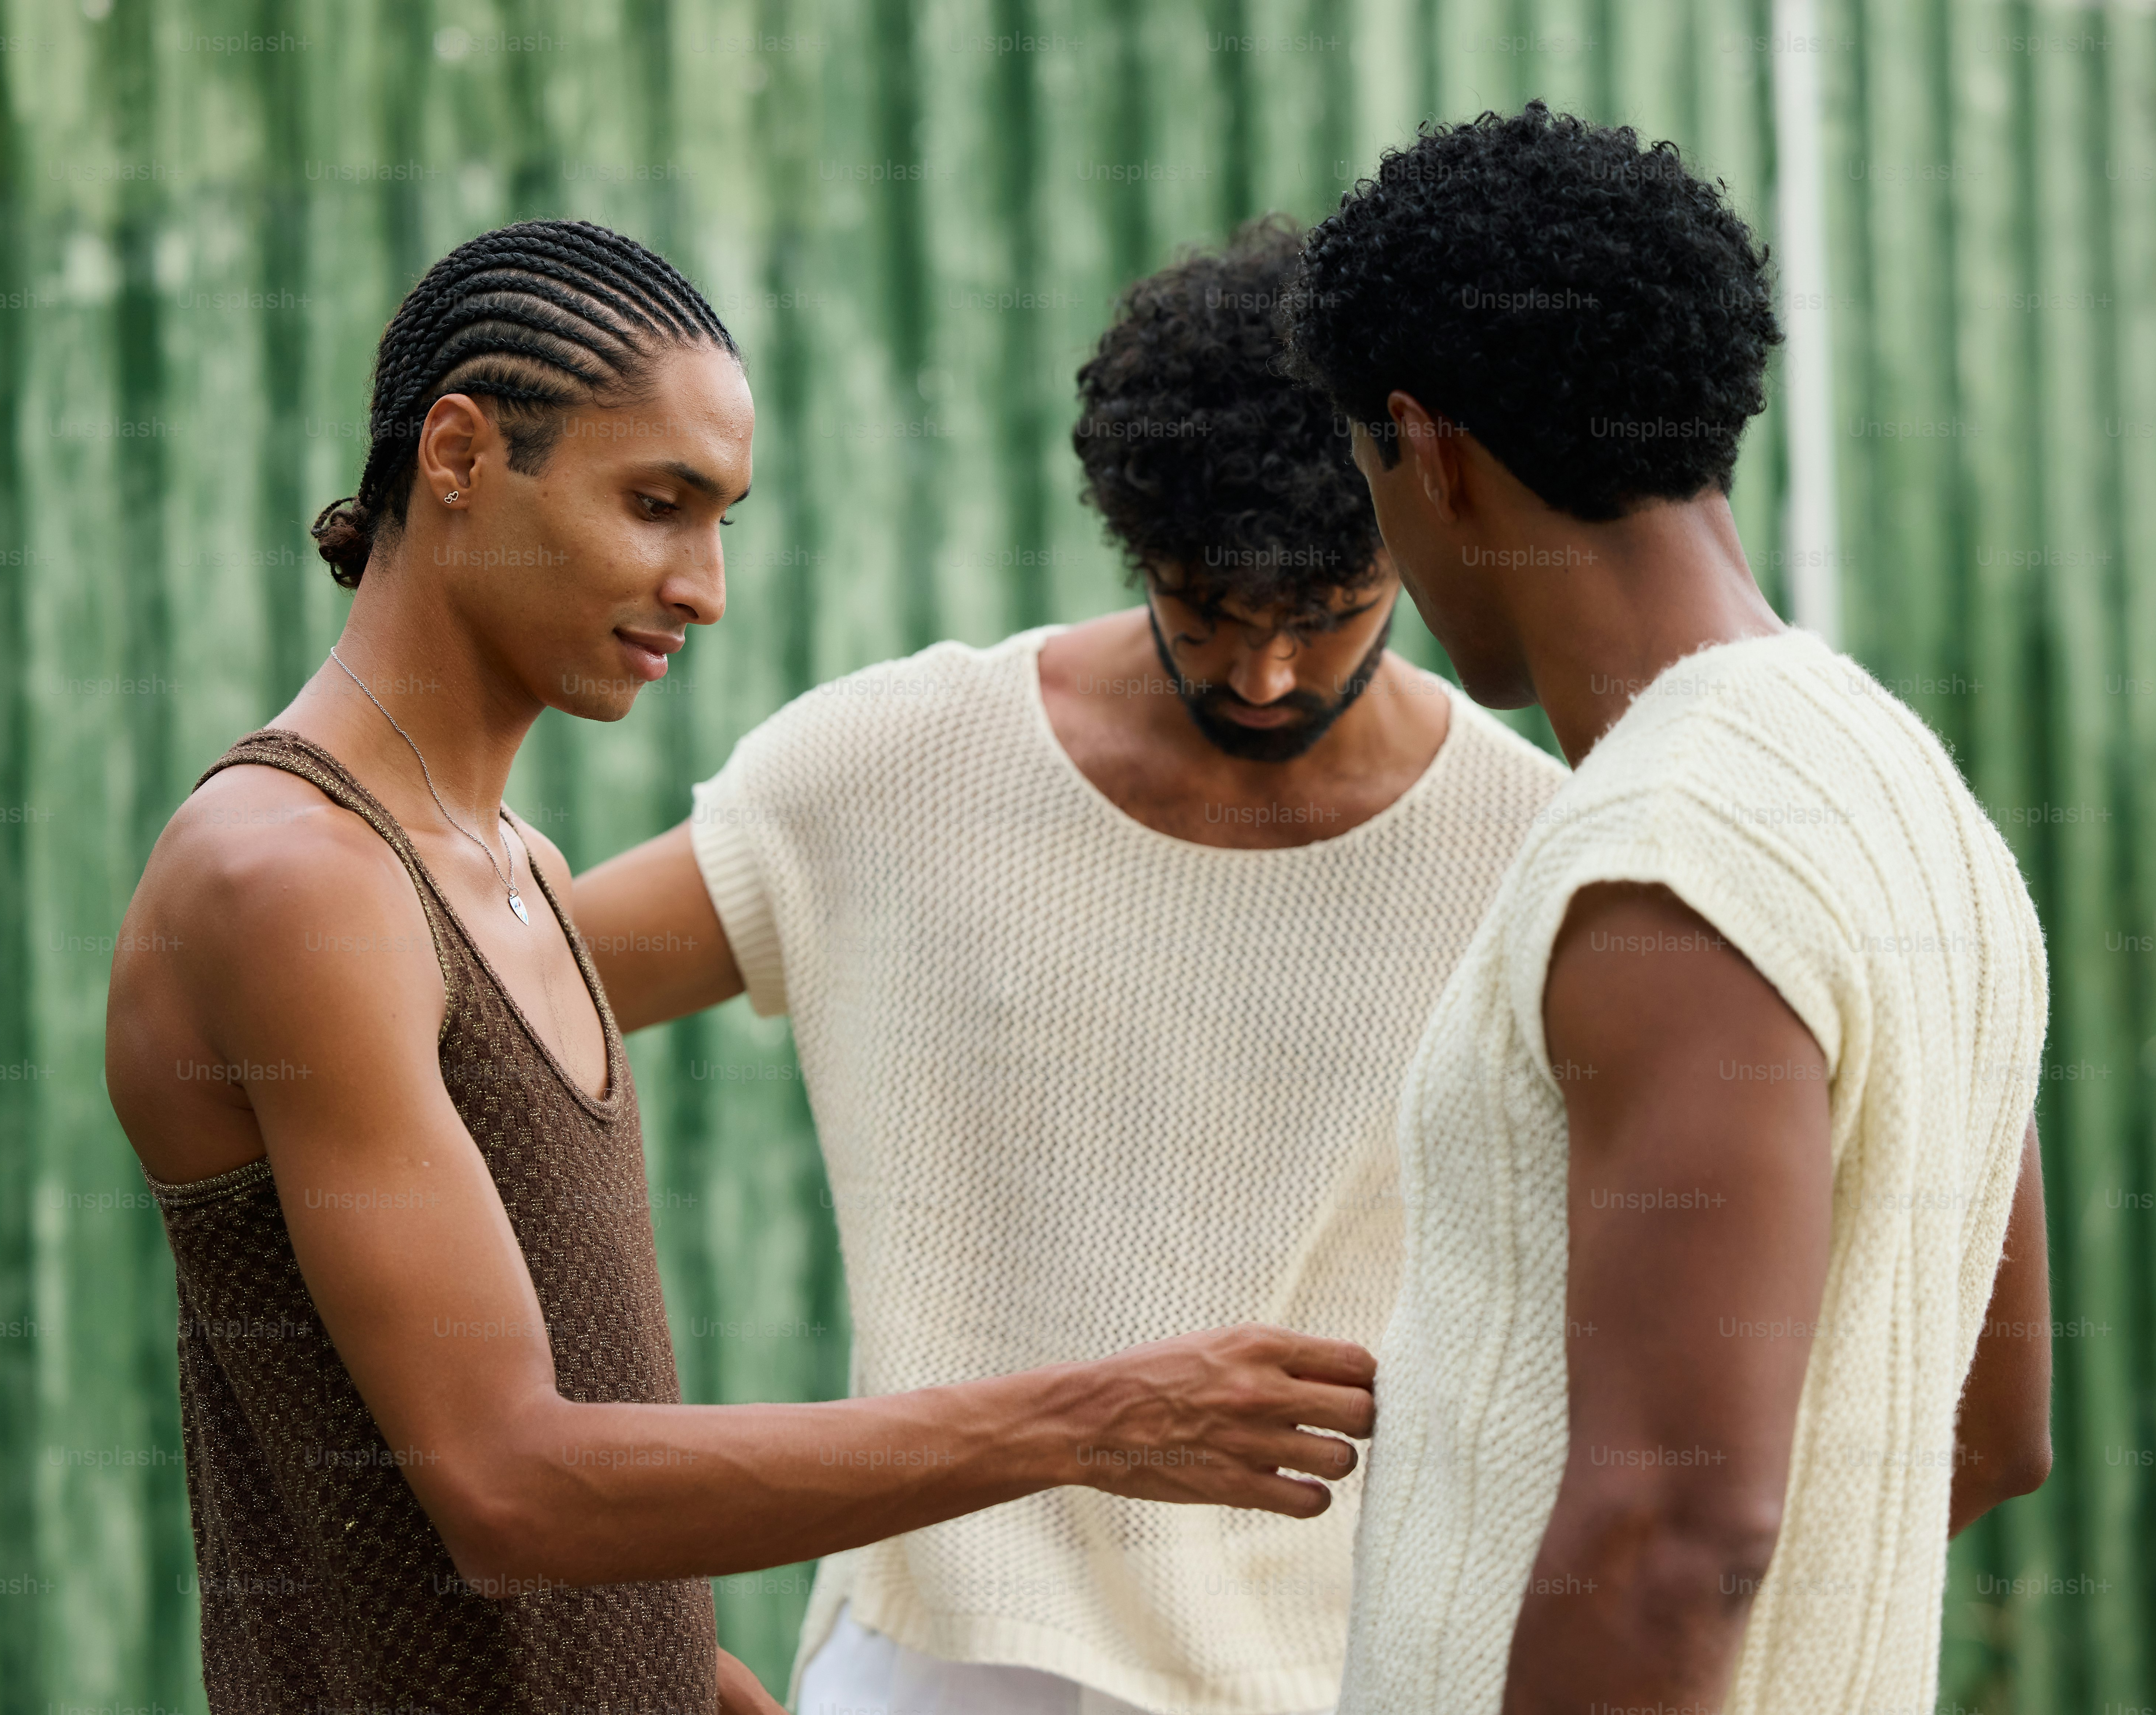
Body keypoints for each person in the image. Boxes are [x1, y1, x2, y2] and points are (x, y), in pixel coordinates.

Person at [103, 220, 1377, 1715]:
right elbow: (510, 1483)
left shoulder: (520, 872)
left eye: (723, 522)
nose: (702, 586)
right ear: (456, 454)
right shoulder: (294, 879)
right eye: (655, 504)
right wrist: (1089, 1419)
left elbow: (523, 1447)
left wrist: (680, 1672)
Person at [572, 218, 1567, 1714]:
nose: (1265, 674)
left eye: (1327, 615)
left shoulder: (1535, 851)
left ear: (1413, 536)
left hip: (1351, 1668)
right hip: (941, 1651)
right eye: (1207, 611)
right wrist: (608, 1585)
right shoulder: (896, 765)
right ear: (1131, 542)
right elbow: (478, 1027)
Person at [1283, 104, 2054, 1715]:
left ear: (1428, 450)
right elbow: (1994, 1430)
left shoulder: (1673, 851)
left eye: (1369, 474)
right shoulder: (1910, 802)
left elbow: (1671, 1530)